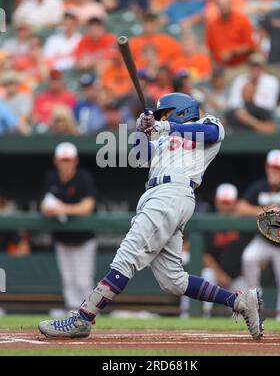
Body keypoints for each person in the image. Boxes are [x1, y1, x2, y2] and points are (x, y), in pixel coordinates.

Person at [39, 92, 263, 340]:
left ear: (181, 110)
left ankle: (82, 318)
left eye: (165, 112)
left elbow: (211, 134)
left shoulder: (207, 124)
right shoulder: (165, 139)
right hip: (158, 194)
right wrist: (141, 130)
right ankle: (239, 301)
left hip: (172, 193)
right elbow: (142, 157)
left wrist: (166, 125)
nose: (161, 118)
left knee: (126, 257)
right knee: (173, 281)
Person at [237, 149, 280, 320]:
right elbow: (241, 207)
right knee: (249, 257)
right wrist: (264, 211)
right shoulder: (259, 186)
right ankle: (254, 300)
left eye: (278, 168)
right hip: (264, 240)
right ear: (266, 167)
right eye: (272, 167)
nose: (274, 171)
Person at [180, 184, 253, 319]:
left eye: (228, 203)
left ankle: (250, 323)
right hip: (215, 273)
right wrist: (220, 274)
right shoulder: (209, 221)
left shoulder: (243, 224)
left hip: (237, 277)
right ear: (216, 202)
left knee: (249, 291)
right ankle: (191, 318)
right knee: (206, 276)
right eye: (222, 202)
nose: (225, 207)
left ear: (235, 203)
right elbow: (203, 253)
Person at [41, 142, 97, 312]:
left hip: (83, 239)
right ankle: (72, 314)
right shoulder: (51, 177)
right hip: (62, 238)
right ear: (56, 161)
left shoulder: (83, 177)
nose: (66, 163)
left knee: (83, 280)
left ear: (75, 160)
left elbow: (88, 206)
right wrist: (52, 209)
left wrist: (62, 208)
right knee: (68, 280)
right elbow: (44, 206)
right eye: (63, 160)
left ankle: (88, 314)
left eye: (69, 160)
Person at [205, 0, 255, 67]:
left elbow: (250, 46)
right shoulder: (212, 24)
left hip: (240, 65)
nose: (224, 6)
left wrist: (232, 52)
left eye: (226, 4)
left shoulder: (242, 20)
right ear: (217, 6)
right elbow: (210, 48)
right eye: (221, 4)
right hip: (220, 67)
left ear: (231, 4)